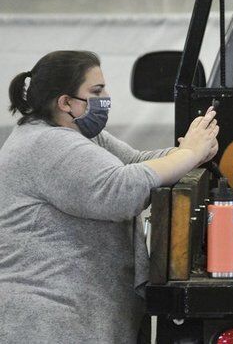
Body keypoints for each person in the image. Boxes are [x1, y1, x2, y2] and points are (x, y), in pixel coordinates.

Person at [0, 50, 219, 343]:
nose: (106, 98)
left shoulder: (80, 133)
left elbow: (136, 162)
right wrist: (190, 154)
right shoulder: (47, 144)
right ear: (65, 102)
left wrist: (191, 152)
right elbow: (120, 190)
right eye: (96, 91)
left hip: (81, 312)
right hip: (52, 320)